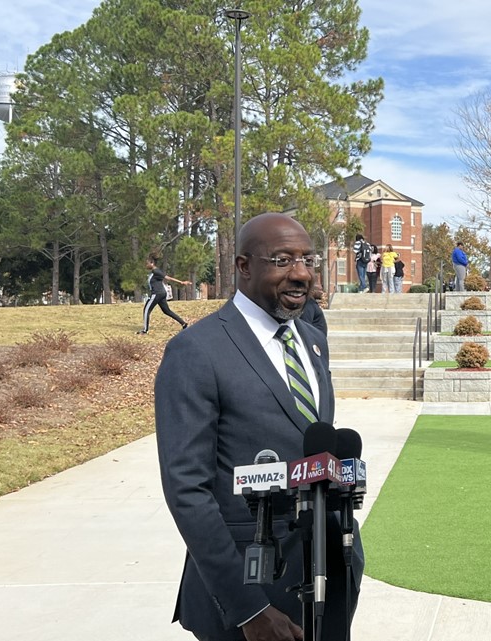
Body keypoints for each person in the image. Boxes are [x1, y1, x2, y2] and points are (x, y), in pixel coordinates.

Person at [154, 213, 361, 641]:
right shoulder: (195, 352)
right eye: (283, 260)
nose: (301, 273)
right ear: (244, 266)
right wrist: (249, 610)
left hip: (328, 574)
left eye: (308, 259)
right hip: (251, 591)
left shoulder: (312, 340)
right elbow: (186, 489)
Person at [139, 256, 190, 335]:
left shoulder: (156, 271)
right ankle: (183, 324)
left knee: (146, 310)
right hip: (161, 293)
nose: (146, 265)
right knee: (167, 311)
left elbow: (167, 278)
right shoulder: (153, 272)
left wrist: (181, 282)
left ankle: (145, 330)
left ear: (152, 263)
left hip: (156, 293)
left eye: (147, 263)